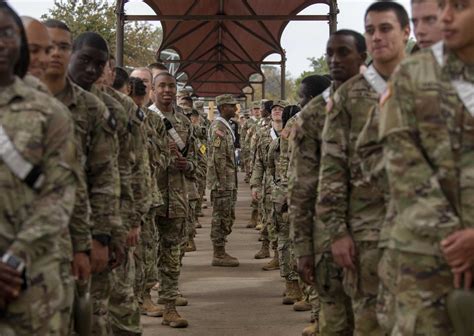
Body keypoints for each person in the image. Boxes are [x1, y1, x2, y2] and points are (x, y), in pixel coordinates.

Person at [379, 0, 474, 334]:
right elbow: (404, 166)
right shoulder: (413, 76)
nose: (446, 17)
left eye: (459, 6)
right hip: (430, 255)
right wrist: (458, 239)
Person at [317, 2, 410, 334]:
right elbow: (332, 169)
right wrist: (338, 232)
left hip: (422, 230)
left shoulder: (428, 85)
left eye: (385, 29)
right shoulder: (348, 96)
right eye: (370, 31)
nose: (377, 37)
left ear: (406, 32)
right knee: (369, 323)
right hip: (367, 232)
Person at [0, 4, 78, 334]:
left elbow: (59, 195)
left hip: (30, 283)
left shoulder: (50, 113)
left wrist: (13, 261)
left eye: (7, 33)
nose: (1, 43)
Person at [290, 31, 367, 336]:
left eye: (344, 52)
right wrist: (302, 247)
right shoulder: (313, 115)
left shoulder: (385, 102)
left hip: (376, 237)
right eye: (330, 53)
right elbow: (302, 185)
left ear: (362, 58)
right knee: (334, 323)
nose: (335, 60)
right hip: (327, 240)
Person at [149, 71, 196, 328]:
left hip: (176, 197)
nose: (167, 90)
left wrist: (186, 164)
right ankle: (143, 297)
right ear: (153, 90)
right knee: (145, 255)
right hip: (150, 197)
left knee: (171, 254)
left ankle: (169, 306)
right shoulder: (144, 119)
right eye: (162, 86)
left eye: (171, 86)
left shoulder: (184, 123)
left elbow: (197, 165)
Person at [207, 94, 240, 267]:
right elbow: (217, 158)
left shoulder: (225, 126)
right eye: (231, 106)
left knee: (226, 215)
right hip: (223, 183)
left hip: (228, 181)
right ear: (222, 108)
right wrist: (220, 183)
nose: (235, 109)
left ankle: (221, 250)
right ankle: (218, 253)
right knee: (220, 217)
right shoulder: (218, 127)